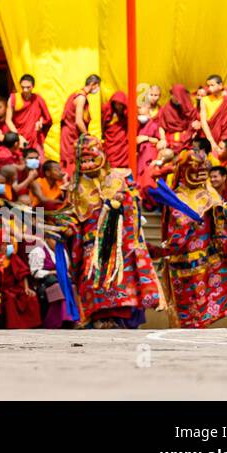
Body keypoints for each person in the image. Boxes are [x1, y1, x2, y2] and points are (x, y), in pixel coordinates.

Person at [67, 134, 160, 328]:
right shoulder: (74, 187)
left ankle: (120, 317)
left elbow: (133, 206)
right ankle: (99, 317)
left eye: (91, 159)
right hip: (91, 244)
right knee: (92, 279)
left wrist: (124, 202)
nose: (87, 165)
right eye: (83, 161)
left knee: (121, 277)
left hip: (119, 241)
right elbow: (74, 217)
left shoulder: (118, 179)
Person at [157, 152, 227, 328]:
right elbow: (174, 225)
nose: (201, 174)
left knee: (219, 284)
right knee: (186, 301)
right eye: (195, 170)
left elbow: (222, 207)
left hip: (208, 254)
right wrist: (188, 225)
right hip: (183, 256)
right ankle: (189, 326)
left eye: (203, 170)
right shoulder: (176, 196)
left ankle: (220, 312)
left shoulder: (208, 191)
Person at [59, 75, 100, 173]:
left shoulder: (77, 94)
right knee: (71, 163)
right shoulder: (81, 97)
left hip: (70, 133)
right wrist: (87, 135)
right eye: (97, 86)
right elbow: (78, 121)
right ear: (92, 84)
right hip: (71, 135)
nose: (97, 89)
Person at [6, 74, 51, 154]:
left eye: (28, 87)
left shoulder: (38, 99)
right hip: (19, 138)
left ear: (33, 86)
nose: (25, 90)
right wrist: (18, 137)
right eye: (23, 87)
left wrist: (41, 122)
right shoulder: (14, 98)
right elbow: (8, 120)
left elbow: (48, 119)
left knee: (37, 163)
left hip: (35, 138)